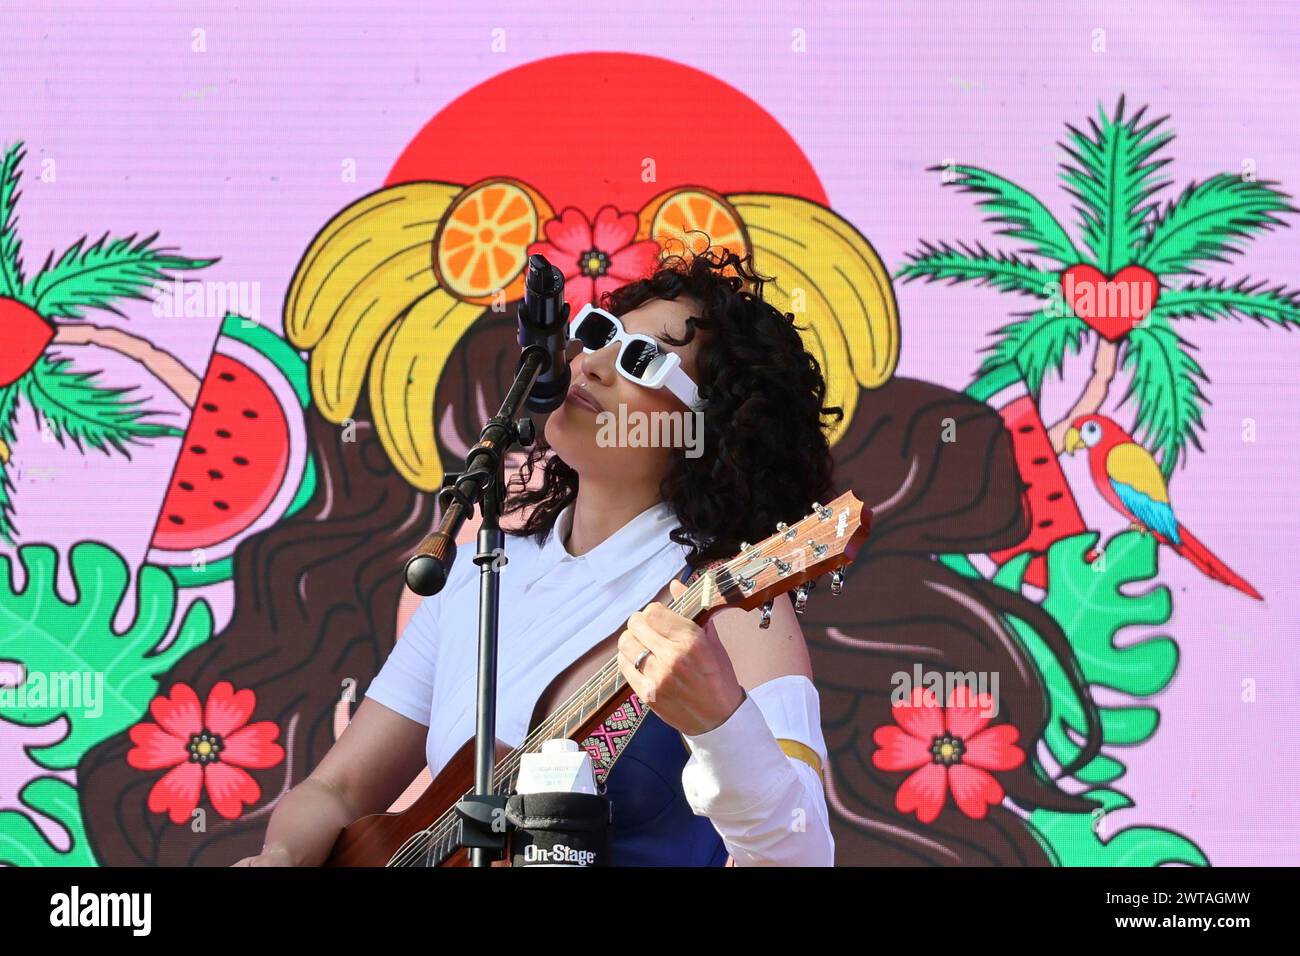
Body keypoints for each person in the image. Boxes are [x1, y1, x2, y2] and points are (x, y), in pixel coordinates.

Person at [233, 248, 841, 866]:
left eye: (642, 360)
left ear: (707, 432)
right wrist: (280, 856)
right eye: (600, 335)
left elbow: (802, 849)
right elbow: (337, 791)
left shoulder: (733, 603)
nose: (594, 366)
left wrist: (721, 725)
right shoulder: (479, 575)